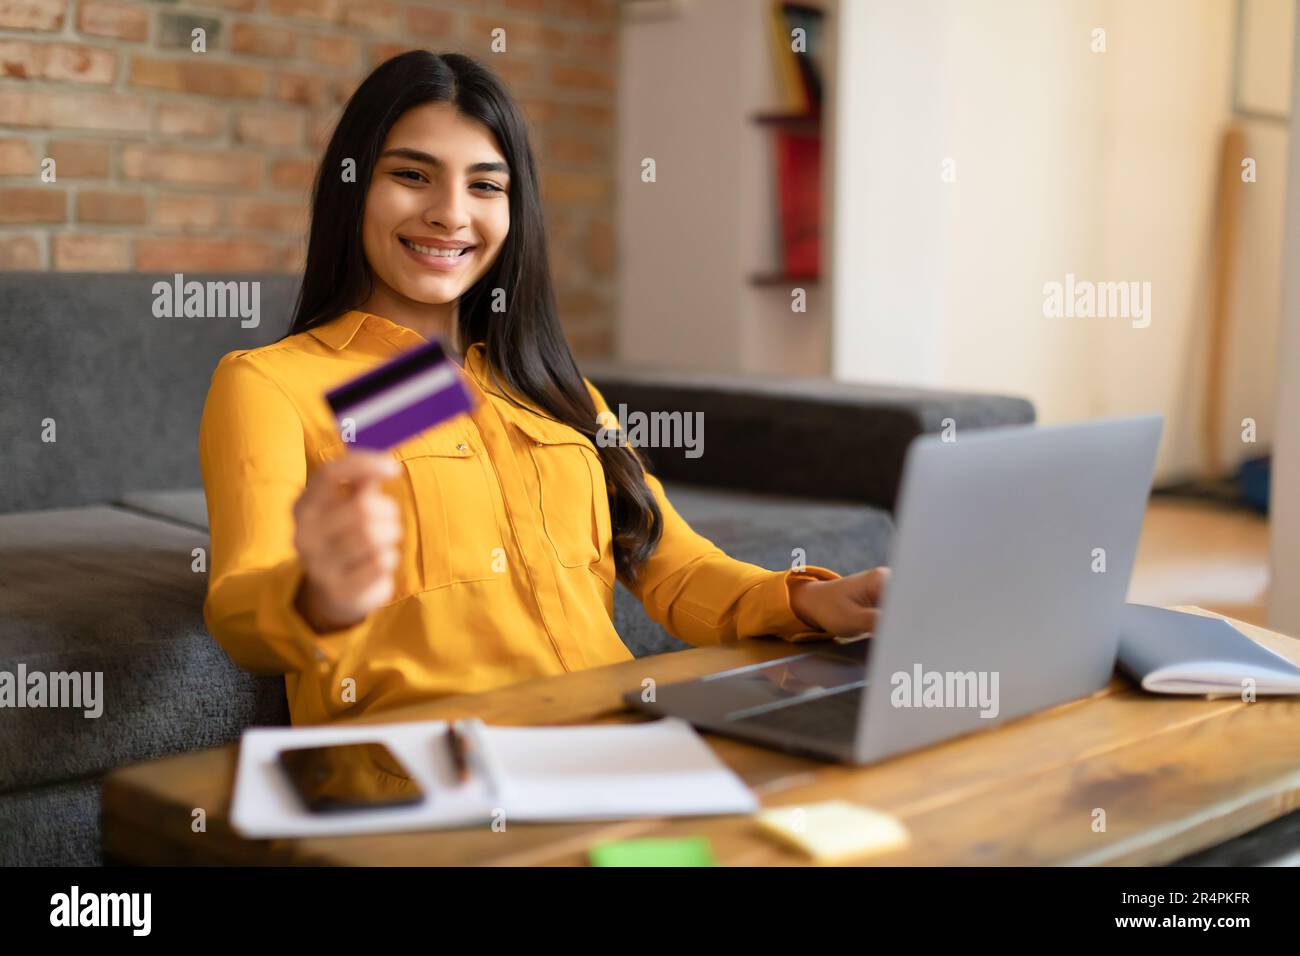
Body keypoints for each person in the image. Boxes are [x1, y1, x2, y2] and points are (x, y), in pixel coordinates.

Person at [199, 51, 889, 726]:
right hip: (429, 772)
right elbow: (238, 606)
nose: (450, 213)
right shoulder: (271, 384)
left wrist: (812, 603)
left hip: (617, 740)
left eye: (485, 186)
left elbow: (673, 566)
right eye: (412, 175)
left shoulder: (555, 388)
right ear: (353, 187)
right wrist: (316, 596)